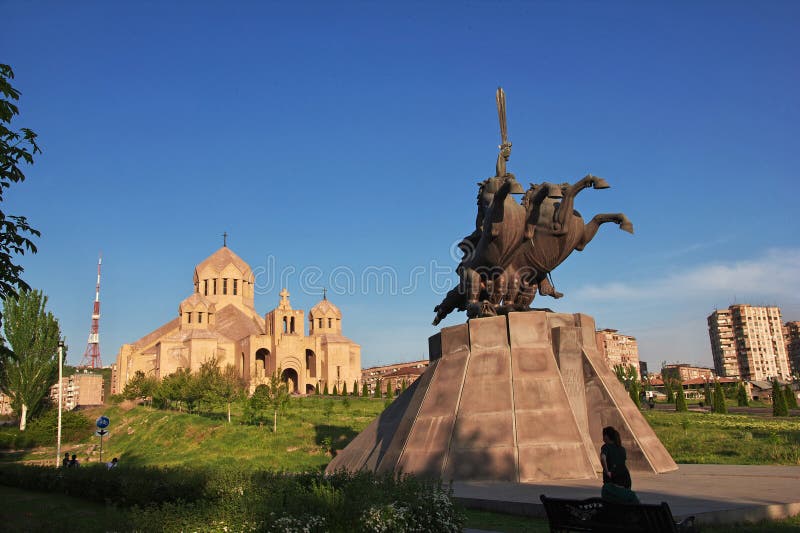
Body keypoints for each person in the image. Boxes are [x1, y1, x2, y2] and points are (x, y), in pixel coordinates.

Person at [600, 426, 638, 503]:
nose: (602, 438)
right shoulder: (622, 449)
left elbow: (603, 458)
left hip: (614, 483)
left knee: (609, 498)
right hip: (626, 481)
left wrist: (607, 471)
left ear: (606, 436)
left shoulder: (606, 447)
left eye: (603, 435)